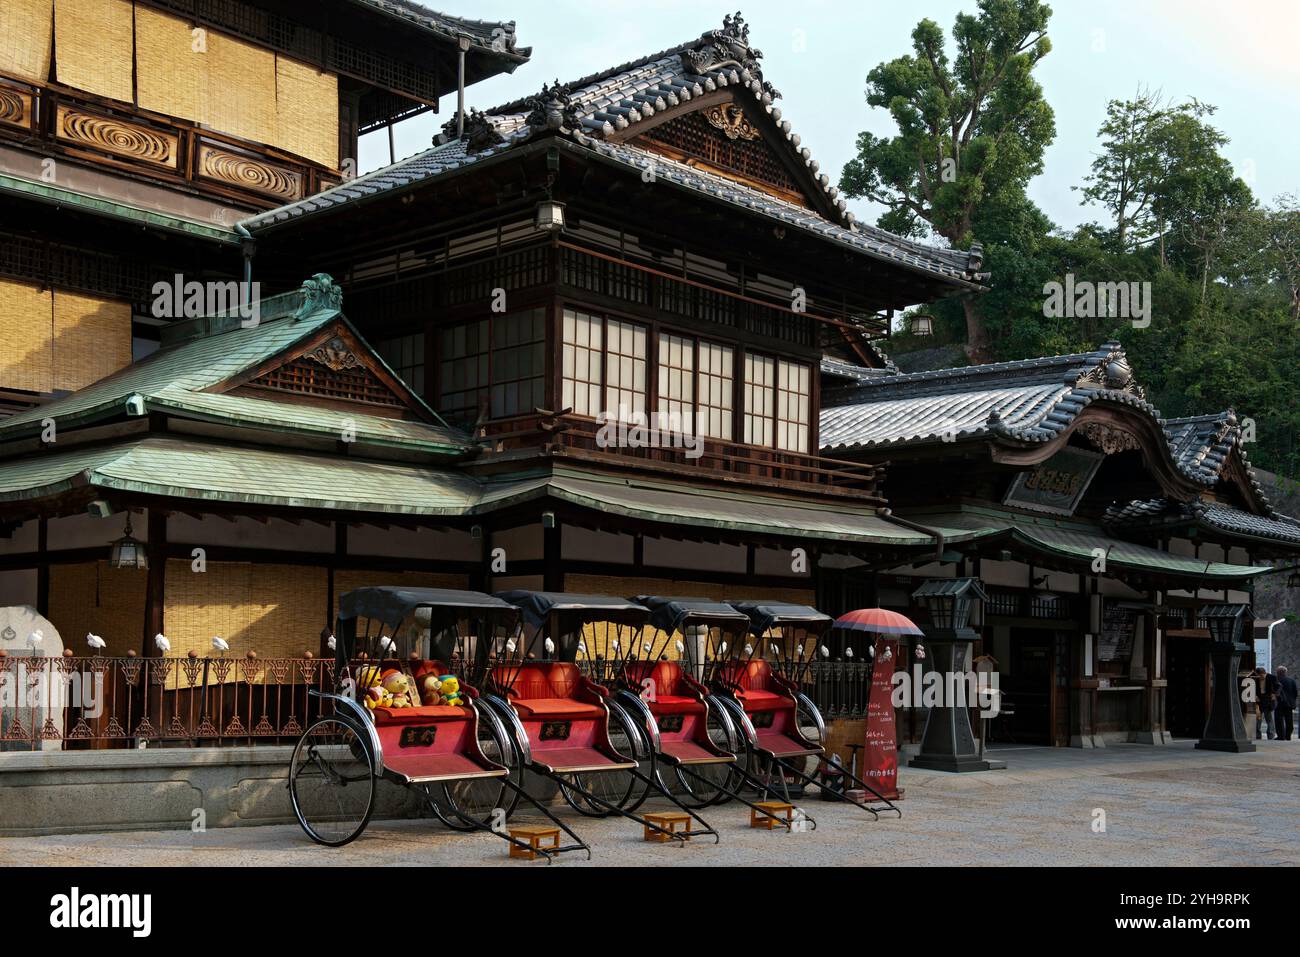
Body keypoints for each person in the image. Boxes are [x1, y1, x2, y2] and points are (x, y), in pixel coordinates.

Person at [1254, 666, 1277, 740]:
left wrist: (1275, 694)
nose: (1260, 677)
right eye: (1259, 676)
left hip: (1268, 700)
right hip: (1259, 701)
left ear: (1265, 673)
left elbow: (1279, 686)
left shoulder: (1272, 677)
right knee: (1258, 719)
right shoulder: (1255, 678)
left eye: (1262, 676)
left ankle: (1270, 736)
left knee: (1269, 719)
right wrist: (1254, 695)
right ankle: (1257, 735)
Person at [1276, 666, 1297, 741]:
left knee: (1279, 720)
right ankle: (1288, 736)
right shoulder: (1292, 680)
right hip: (1289, 704)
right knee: (1289, 720)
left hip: (1280, 703)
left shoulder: (1277, 680)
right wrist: (1292, 701)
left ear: (1278, 672)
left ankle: (1281, 736)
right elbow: (1295, 692)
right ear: (1285, 672)